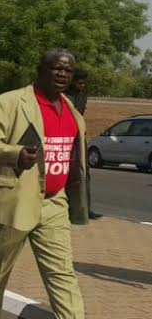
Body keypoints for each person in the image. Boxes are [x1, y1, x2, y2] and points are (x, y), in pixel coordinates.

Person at [0, 50, 116, 319]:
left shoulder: (72, 109)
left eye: (68, 70)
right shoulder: (9, 102)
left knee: (61, 271)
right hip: (15, 197)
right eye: (56, 68)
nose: (62, 74)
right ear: (40, 69)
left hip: (54, 201)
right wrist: (15, 153)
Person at [66, 69, 101, 219]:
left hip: (78, 137)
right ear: (72, 82)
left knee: (83, 173)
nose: (82, 85)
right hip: (63, 137)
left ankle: (85, 209)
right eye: (80, 83)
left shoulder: (82, 96)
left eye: (84, 83)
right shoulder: (62, 95)